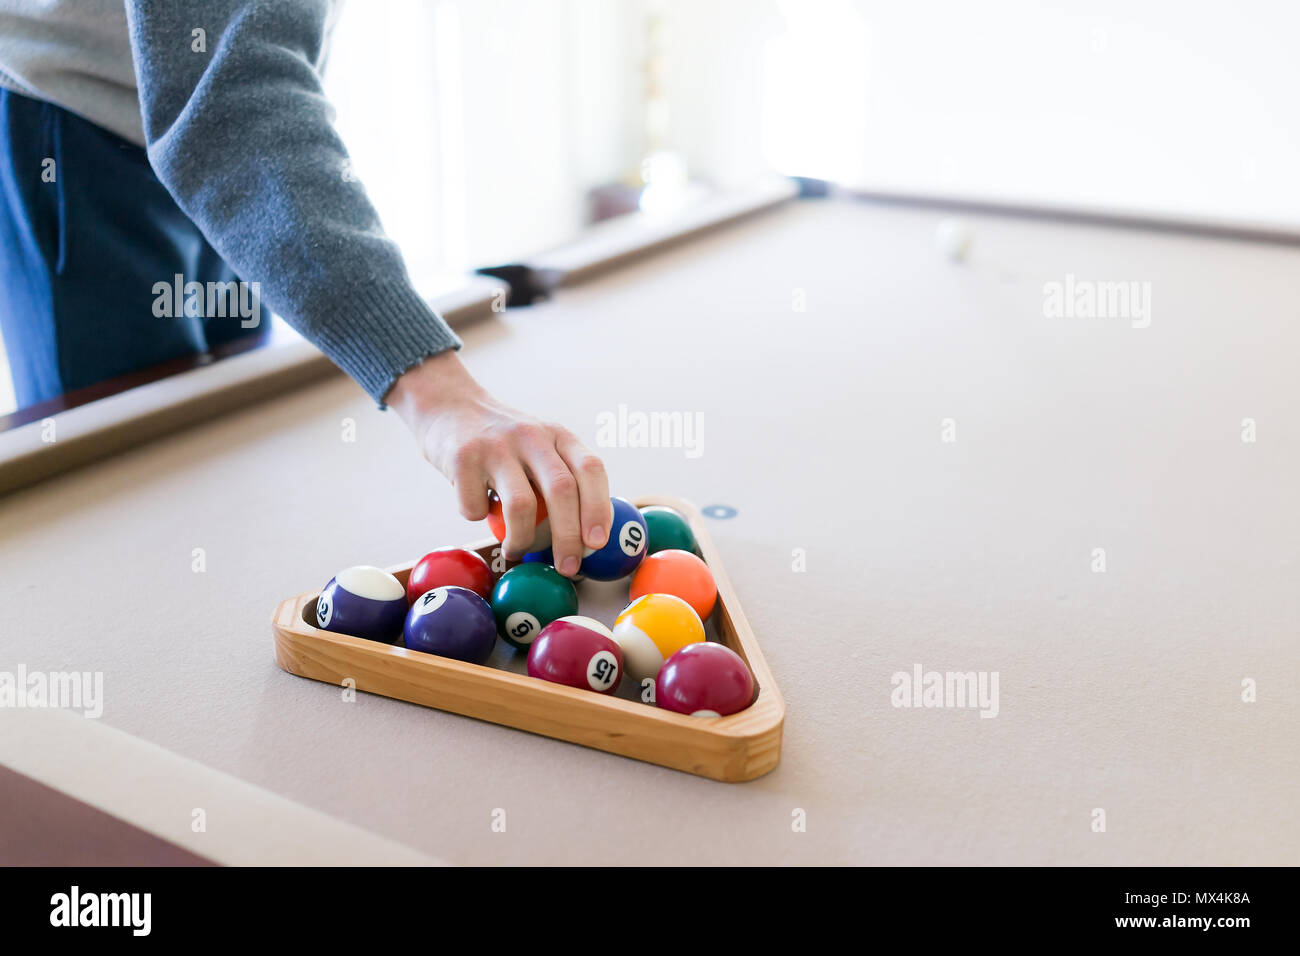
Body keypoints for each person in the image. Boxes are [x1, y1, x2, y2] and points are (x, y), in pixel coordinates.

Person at [0, 0, 610, 572]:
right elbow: (230, 98)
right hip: (70, 126)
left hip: (224, 137)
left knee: (224, 457)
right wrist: (440, 392)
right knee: (122, 506)